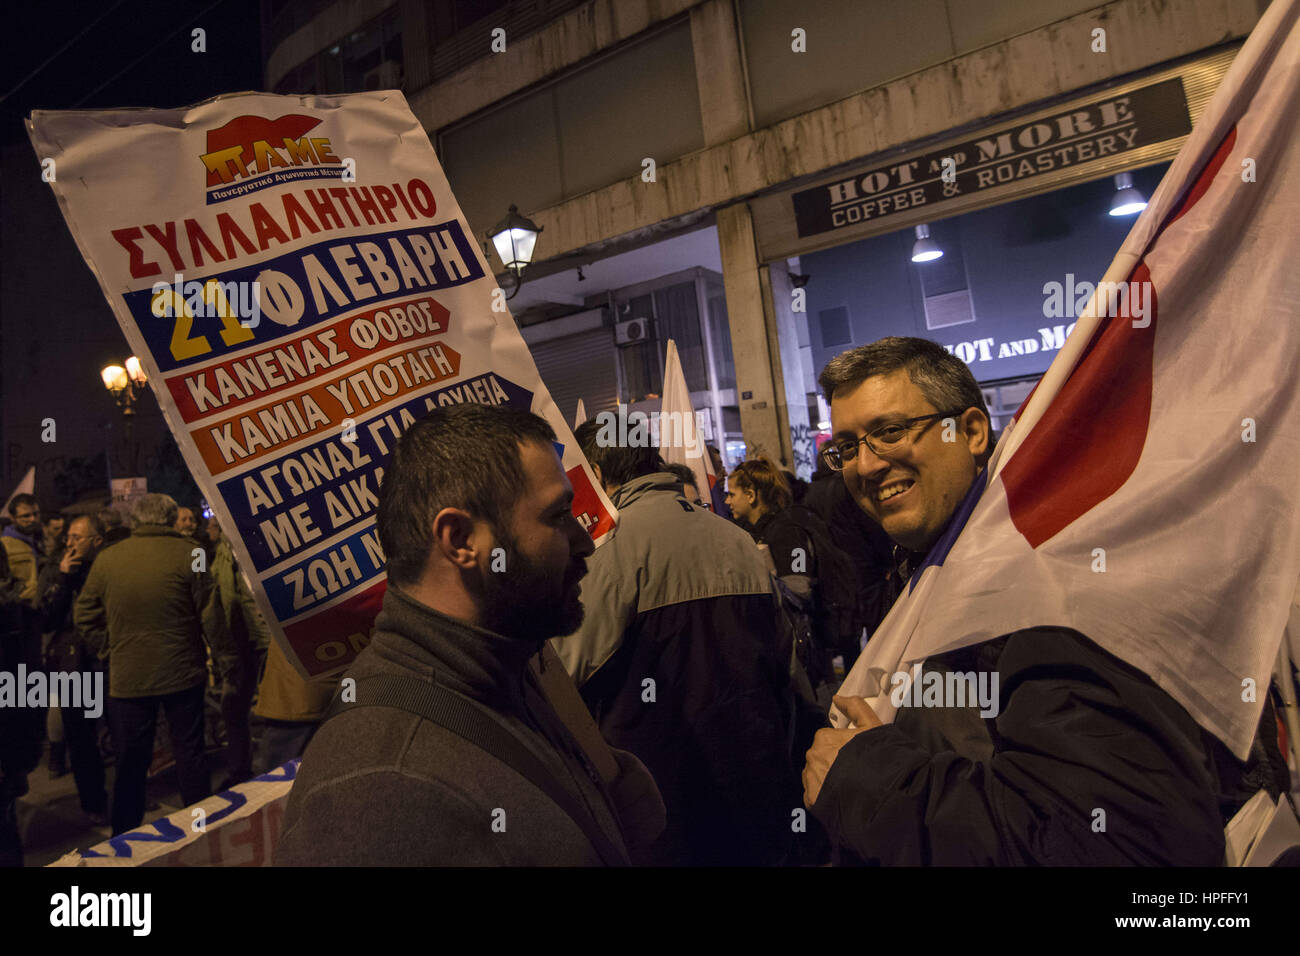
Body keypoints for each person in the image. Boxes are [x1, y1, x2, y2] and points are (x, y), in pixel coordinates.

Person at [802, 336, 1290, 865]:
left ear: (970, 431)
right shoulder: (943, 558)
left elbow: (1116, 845)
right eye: (847, 447)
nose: (865, 465)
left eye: (890, 431)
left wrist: (871, 779)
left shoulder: (1053, 578)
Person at [276, 404, 663, 866]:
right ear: (460, 539)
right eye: (558, 516)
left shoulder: (509, 668)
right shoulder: (380, 792)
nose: (583, 543)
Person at [553, 421, 811, 866]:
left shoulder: (607, 550)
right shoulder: (738, 539)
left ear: (594, 471)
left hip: (664, 810)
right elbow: (787, 673)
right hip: (758, 791)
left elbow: (562, 679)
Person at [73, 493, 237, 835]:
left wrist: (109, 649)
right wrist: (226, 655)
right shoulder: (191, 554)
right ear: (169, 518)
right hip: (183, 671)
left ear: (136, 520)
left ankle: (124, 837)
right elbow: (210, 612)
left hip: (128, 678)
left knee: (131, 760)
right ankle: (199, 830)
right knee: (190, 753)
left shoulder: (108, 559)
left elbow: (84, 615)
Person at [35, 515, 109, 824]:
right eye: (68, 536)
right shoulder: (54, 567)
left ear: (96, 542)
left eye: (77, 538)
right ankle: (94, 803)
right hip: (72, 663)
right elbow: (46, 618)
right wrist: (64, 579)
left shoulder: (105, 568)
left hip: (105, 658)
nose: (70, 543)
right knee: (81, 738)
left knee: (121, 733)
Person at [207, 517, 271, 789]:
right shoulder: (232, 547)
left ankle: (260, 771)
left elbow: (227, 601)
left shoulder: (230, 549)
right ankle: (251, 769)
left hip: (252, 640)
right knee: (239, 707)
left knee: (249, 708)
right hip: (249, 639)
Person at [2, 494, 43, 604]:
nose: (32, 519)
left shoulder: (41, 541)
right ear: (12, 518)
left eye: (35, 514)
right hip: (19, 609)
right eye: (26, 516)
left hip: (41, 608)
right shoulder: (4, 545)